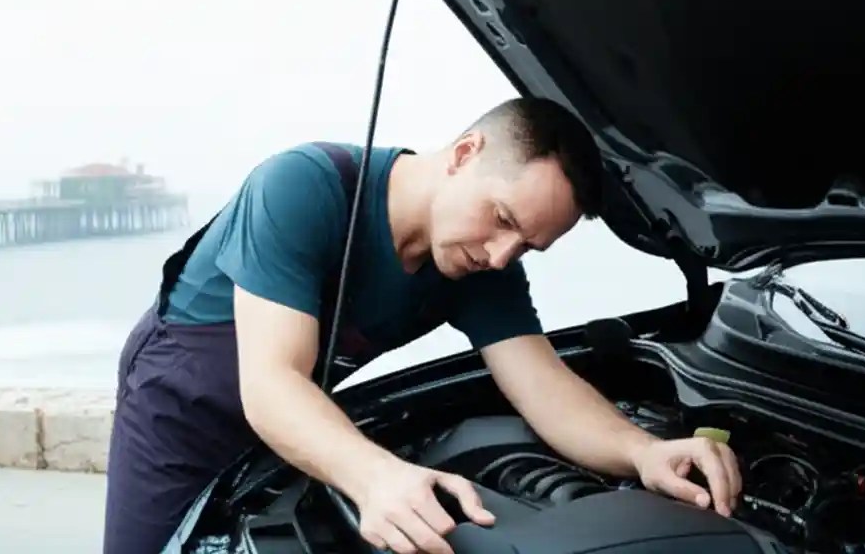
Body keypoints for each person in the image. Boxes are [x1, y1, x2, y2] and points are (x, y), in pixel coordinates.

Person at [103, 97, 742, 554]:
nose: (500, 254)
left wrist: (642, 451)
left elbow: (543, 384)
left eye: (526, 247)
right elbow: (270, 382)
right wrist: (378, 477)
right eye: (502, 218)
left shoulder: (477, 266)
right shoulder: (302, 186)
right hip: (181, 413)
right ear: (465, 153)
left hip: (297, 418)